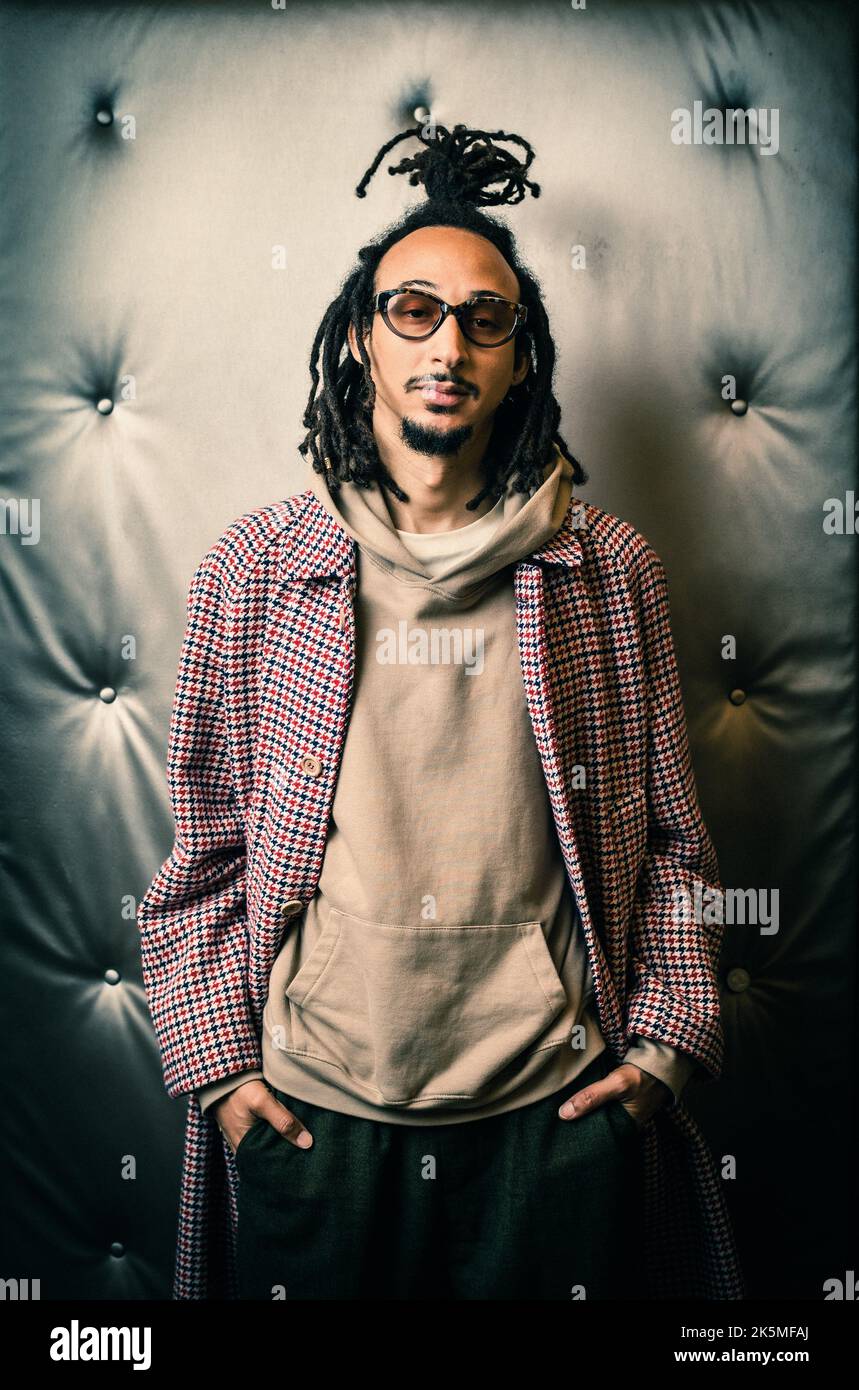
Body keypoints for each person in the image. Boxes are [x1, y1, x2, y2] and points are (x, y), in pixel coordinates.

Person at [136, 122, 744, 1301]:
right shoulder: (256, 571)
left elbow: (675, 844)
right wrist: (222, 1078)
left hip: (556, 1125)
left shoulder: (608, 570)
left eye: (485, 317)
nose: (448, 342)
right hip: (314, 1124)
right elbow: (202, 857)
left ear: (521, 357)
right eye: (411, 309)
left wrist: (663, 1049)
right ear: (360, 340)